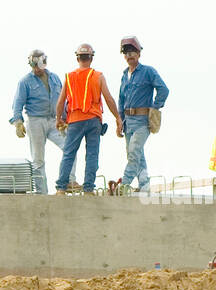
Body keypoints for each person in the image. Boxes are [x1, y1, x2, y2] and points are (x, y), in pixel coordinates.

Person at [53, 44, 122, 195]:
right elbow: (109, 99)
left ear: (78, 58)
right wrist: (118, 117)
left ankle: (61, 188)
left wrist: (58, 119)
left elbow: (60, 102)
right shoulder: (98, 76)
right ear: (91, 58)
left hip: (75, 121)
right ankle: (89, 189)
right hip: (93, 120)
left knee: (69, 154)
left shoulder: (69, 77)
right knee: (92, 155)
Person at [115, 36, 168, 193]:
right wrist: (120, 121)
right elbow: (121, 99)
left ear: (139, 53)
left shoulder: (148, 72)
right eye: (126, 52)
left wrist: (154, 109)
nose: (129, 55)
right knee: (137, 155)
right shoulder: (125, 75)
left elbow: (163, 90)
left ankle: (124, 184)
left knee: (134, 153)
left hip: (142, 121)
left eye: (132, 51)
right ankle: (144, 186)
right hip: (128, 121)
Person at [10, 50, 65, 194]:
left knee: (69, 148)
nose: (36, 69)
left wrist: (65, 119)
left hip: (54, 120)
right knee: (38, 160)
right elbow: (17, 103)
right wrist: (18, 122)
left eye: (38, 65)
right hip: (35, 121)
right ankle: (42, 193)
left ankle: (67, 182)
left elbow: (62, 101)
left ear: (44, 63)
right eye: (33, 66)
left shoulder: (55, 78)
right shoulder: (25, 82)